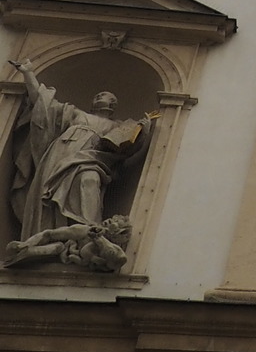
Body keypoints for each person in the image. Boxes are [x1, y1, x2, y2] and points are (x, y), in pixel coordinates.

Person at [7, 60, 149, 243]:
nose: (99, 96)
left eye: (105, 95)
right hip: (60, 154)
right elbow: (43, 102)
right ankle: (47, 233)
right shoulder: (75, 114)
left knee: (89, 179)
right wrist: (28, 73)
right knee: (48, 192)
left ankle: (90, 232)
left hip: (92, 159)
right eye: (97, 95)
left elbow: (126, 149)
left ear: (112, 105)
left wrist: (143, 131)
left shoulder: (118, 126)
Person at [4, 214, 131, 273]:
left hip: (69, 253)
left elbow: (118, 260)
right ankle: (24, 249)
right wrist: (27, 243)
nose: (108, 222)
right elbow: (49, 234)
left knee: (57, 247)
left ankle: (27, 251)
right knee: (57, 245)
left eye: (114, 224)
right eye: (110, 220)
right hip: (66, 247)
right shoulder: (84, 231)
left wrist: (99, 241)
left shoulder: (112, 250)